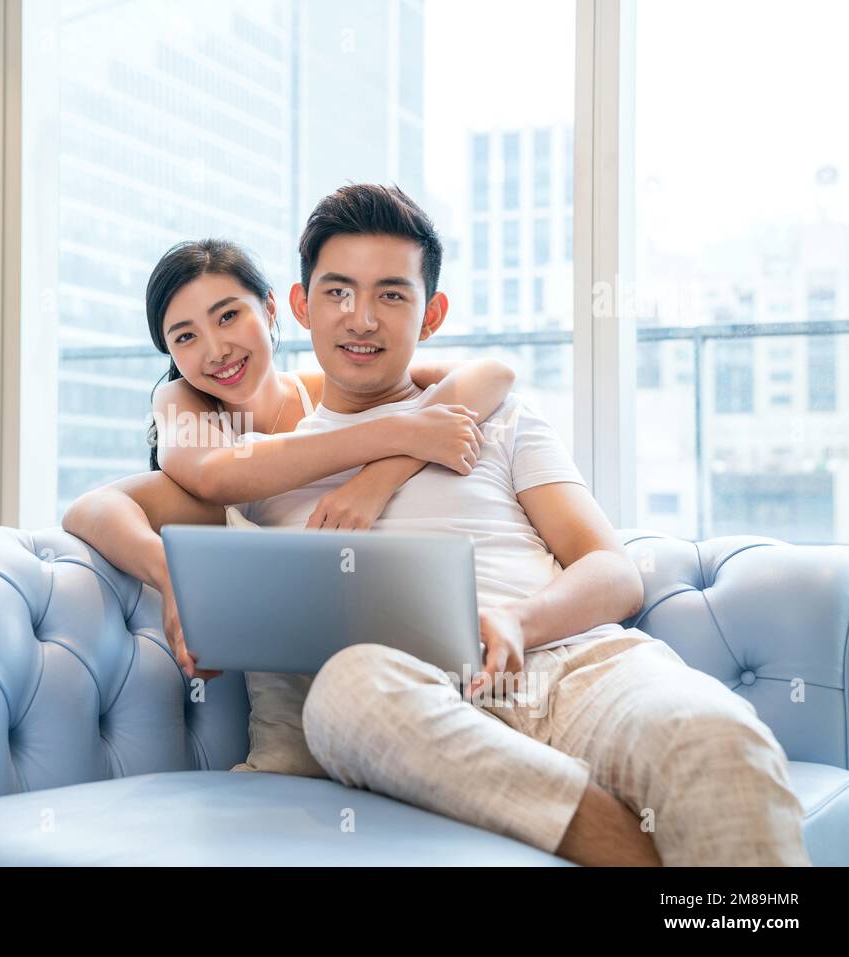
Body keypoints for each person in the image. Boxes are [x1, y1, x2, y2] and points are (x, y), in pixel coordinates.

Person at [63, 182, 812, 868]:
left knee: (715, 736)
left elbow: (612, 571)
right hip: (414, 704)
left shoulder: (489, 413)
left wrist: (518, 619)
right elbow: (100, 505)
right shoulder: (263, 464)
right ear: (300, 305)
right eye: (338, 292)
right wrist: (173, 582)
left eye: (391, 294)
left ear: (431, 312)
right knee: (345, 696)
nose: (361, 317)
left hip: (574, 665)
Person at [68, 238, 518, 679]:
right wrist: (171, 576)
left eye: (228, 316)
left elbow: (494, 375)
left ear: (270, 308)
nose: (216, 350)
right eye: (185, 337)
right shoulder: (185, 409)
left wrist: (378, 479)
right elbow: (193, 481)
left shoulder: (328, 391)